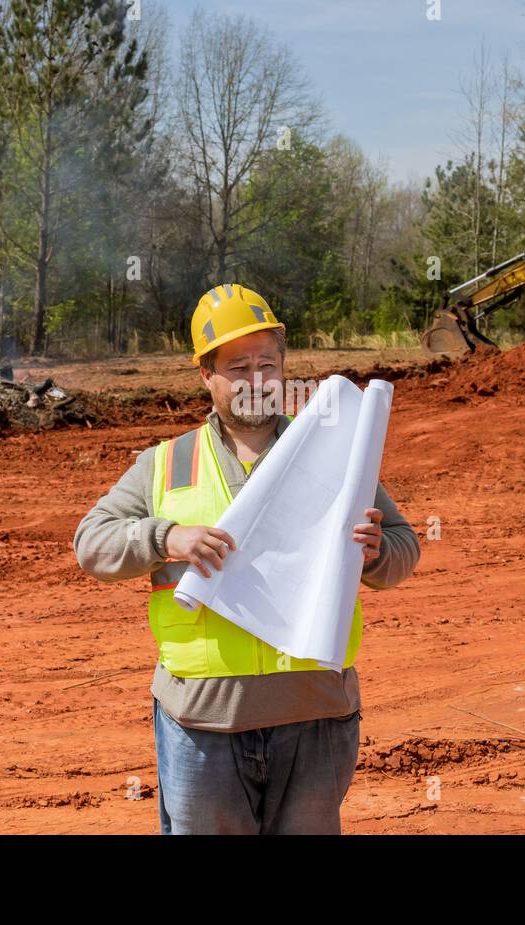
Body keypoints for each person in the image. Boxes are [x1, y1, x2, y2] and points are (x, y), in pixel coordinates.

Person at [72, 283, 419, 833]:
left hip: (315, 714)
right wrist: (165, 538)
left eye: (267, 363)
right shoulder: (167, 466)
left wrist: (377, 555)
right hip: (202, 723)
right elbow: (91, 544)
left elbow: (405, 546)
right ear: (206, 376)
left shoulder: (330, 455)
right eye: (237, 366)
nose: (256, 379)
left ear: (283, 368)